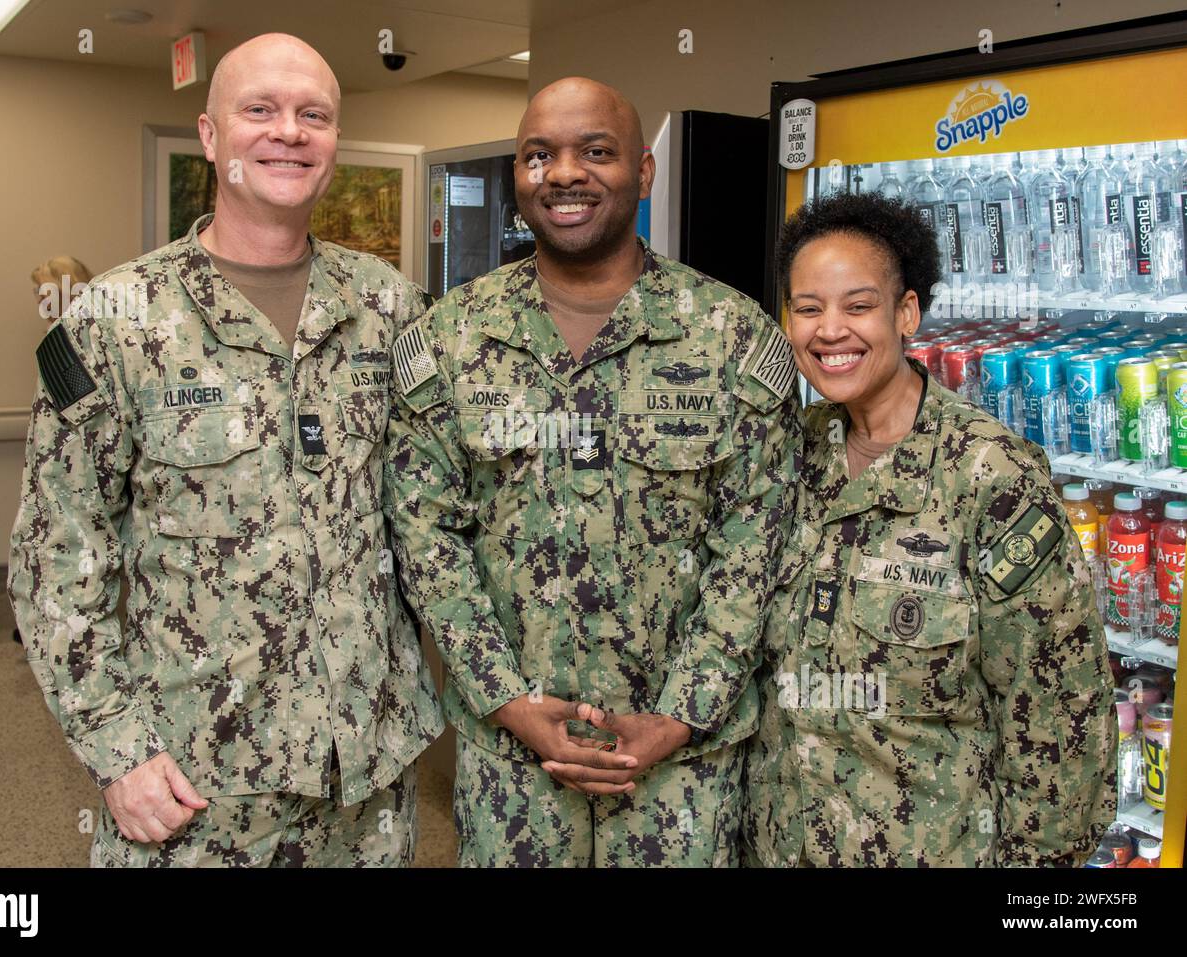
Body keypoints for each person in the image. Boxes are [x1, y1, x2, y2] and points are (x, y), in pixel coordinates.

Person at [8, 33, 442, 868]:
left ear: (334, 142)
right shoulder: (114, 320)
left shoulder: (391, 309)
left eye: (313, 114)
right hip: (198, 783)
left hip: (369, 779)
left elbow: (434, 514)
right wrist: (115, 747)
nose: (289, 131)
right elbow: (56, 559)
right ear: (211, 137)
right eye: (260, 110)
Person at [385, 77, 802, 867]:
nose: (565, 173)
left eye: (596, 152)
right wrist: (509, 702)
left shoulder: (730, 336)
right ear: (518, 177)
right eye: (539, 155)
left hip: (682, 775)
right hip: (515, 770)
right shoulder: (449, 339)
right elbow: (425, 539)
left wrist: (681, 714)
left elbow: (757, 553)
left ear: (643, 173)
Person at [743, 192, 1117, 867]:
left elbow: (1062, 725)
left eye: (858, 306)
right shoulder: (785, 458)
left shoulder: (989, 477)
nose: (831, 330)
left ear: (906, 313)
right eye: (807, 308)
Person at [13, 257, 96, 648]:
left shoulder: (76, 339)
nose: (36, 299)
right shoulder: (63, 336)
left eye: (41, 290)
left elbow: (81, 423)